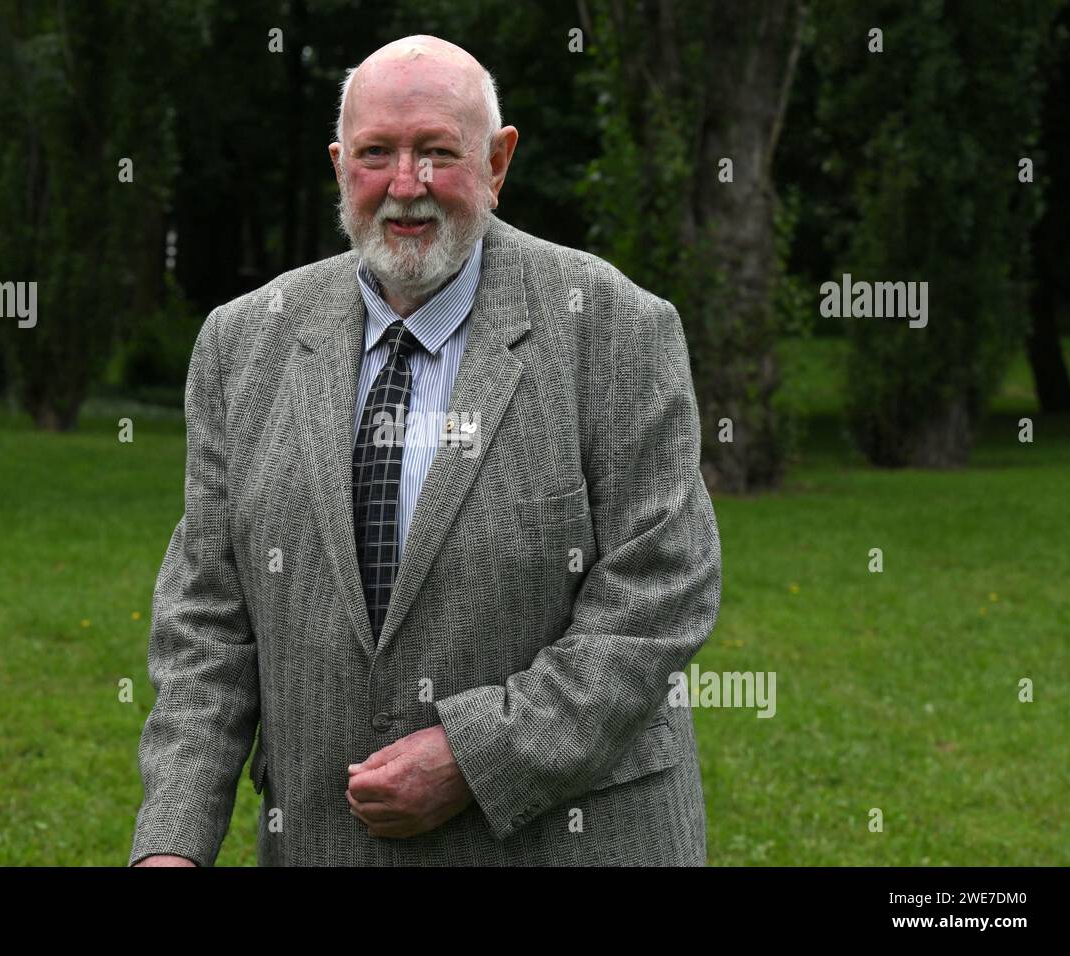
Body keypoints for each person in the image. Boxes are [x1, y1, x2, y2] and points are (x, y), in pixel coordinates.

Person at [129, 34, 721, 867]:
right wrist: (173, 844)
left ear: (498, 160)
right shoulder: (242, 343)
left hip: (562, 840)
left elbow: (661, 588)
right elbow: (207, 619)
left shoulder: (614, 325)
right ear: (341, 165)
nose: (407, 187)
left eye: (438, 152)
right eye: (377, 154)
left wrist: (478, 758)